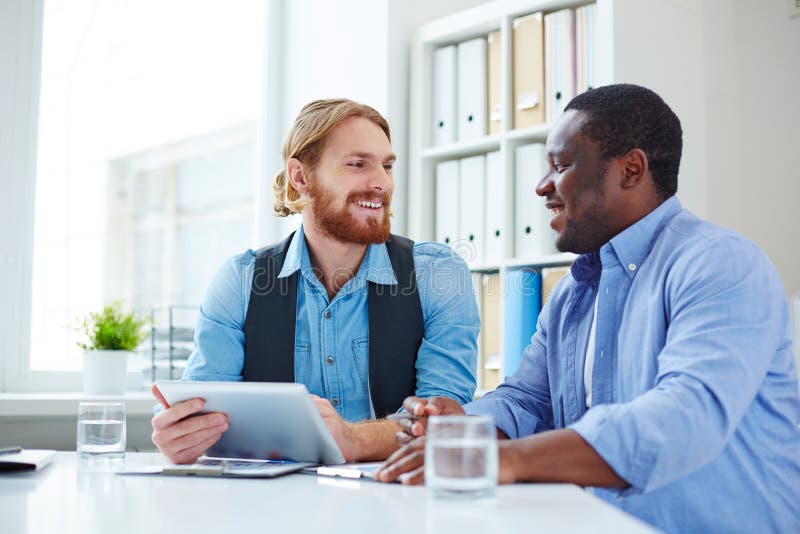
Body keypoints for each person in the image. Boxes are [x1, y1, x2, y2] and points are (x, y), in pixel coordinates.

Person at [375, 84, 800, 533]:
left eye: (560, 167)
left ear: (631, 169)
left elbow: (683, 419)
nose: (542, 187)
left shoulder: (718, 263)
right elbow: (526, 402)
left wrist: (498, 459)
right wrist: (461, 427)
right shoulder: (573, 290)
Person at [150, 99, 479, 465]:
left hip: (397, 504)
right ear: (300, 177)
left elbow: (445, 418)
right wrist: (184, 434)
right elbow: (204, 408)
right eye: (358, 164)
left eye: (387, 166)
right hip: (276, 508)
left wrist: (354, 438)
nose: (382, 182)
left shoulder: (438, 274)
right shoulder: (240, 282)